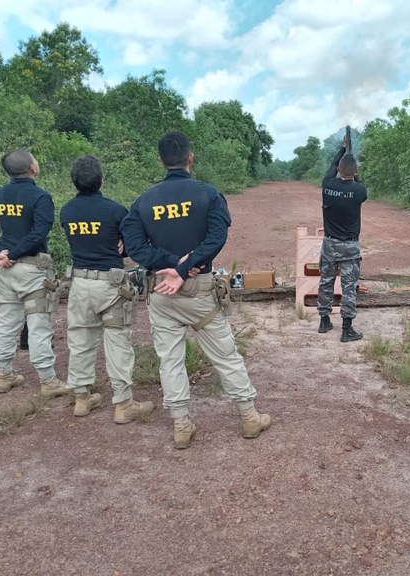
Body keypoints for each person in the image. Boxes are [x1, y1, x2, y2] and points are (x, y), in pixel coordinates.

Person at [120, 131, 270, 449]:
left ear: (160, 160)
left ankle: (181, 425)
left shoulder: (143, 201)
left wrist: (171, 266)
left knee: (170, 360)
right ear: (190, 157)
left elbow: (134, 247)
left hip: (161, 291)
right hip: (200, 289)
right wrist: (184, 267)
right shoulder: (208, 194)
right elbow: (216, 238)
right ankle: (249, 416)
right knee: (226, 356)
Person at [60, 155, 154, 422]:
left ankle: (81, 398)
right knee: (117, 342)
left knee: (80, 340)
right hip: (110, 285)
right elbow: (127, 244)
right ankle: (124, 404)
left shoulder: (66, 211)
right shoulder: (115, 211)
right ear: (101, 179)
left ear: (74, 181)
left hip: (79, 284)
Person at [0, 149, 66, 399]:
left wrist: (1, 251)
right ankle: (48, 380)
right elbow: (39, 233)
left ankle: (5, 375)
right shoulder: (40, 197)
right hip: (33, 270)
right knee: (39, 324)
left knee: (6, 322)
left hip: (6, 272)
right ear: (32, 168)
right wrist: (12, 253)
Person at [316, 133, 368, 342]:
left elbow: (332, 168)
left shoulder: (328, 185)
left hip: (329, 244)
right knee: (348, 286)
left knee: (326, 281)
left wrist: (341, 150)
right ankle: (347, 329)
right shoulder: (359, 190)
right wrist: (353, 165)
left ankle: (324, 321)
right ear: (355, 171)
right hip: (349, 246)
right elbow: (359, 184)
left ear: (338, 169)